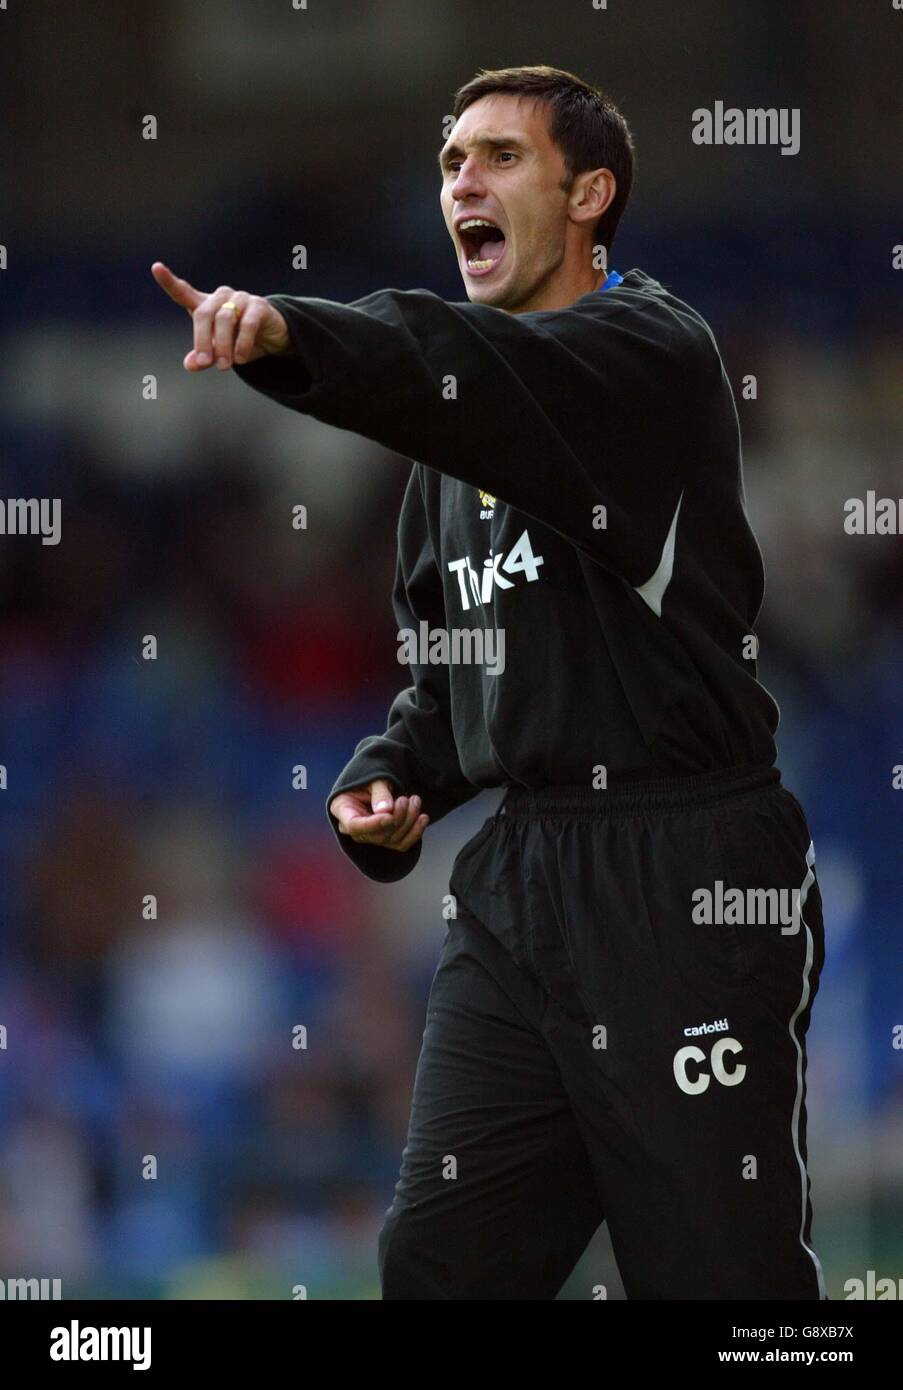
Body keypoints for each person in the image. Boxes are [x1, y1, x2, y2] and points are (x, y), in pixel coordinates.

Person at [152, 64, 827, 1301]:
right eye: (452, 161)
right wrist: (385, 780)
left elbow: (448, 361)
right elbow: (449, 681)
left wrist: (298, 330)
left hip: (684, 870)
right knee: (441, 1263)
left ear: (591, 197)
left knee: (716, 1275)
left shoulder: (651, 353)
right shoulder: (450, 459)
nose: (463, 178)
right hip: (521, 883)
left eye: (501, 157)